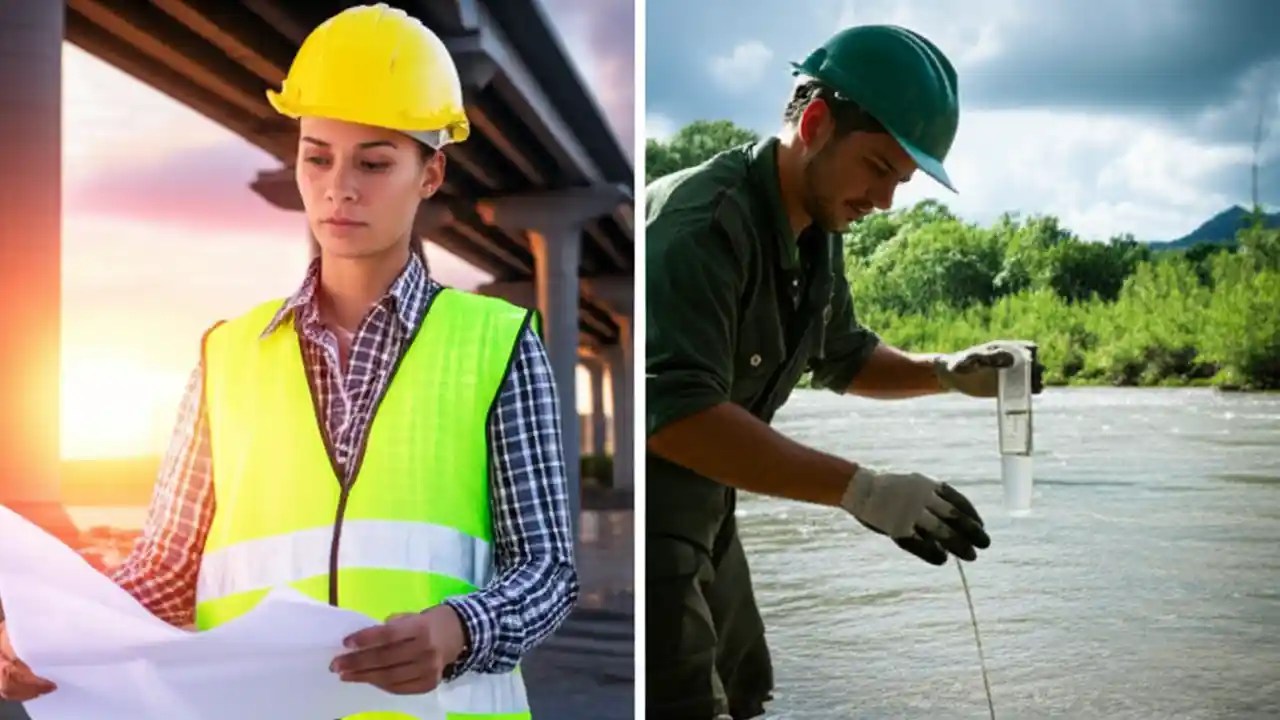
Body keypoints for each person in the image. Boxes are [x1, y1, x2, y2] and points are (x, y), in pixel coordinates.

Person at [0, 5, 576, 717]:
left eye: (374, 162)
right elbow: (167, 570)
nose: (340, 187)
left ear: (430, 175)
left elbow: (547, 570)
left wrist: (461, 628)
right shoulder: (225, 355)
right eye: (317, 156)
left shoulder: (498, 342)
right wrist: (59, 641)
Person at [644, 24, 1043, 720]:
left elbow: (845, 356)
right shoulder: (699, 227)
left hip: (713, 506)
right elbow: (677, 418)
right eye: (878, 169)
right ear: (817, 123)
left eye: (901, 181)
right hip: (645, 515)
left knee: (745, 688)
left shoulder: (816, 226)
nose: (884, 201)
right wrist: (865, 491)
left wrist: (946, 372)